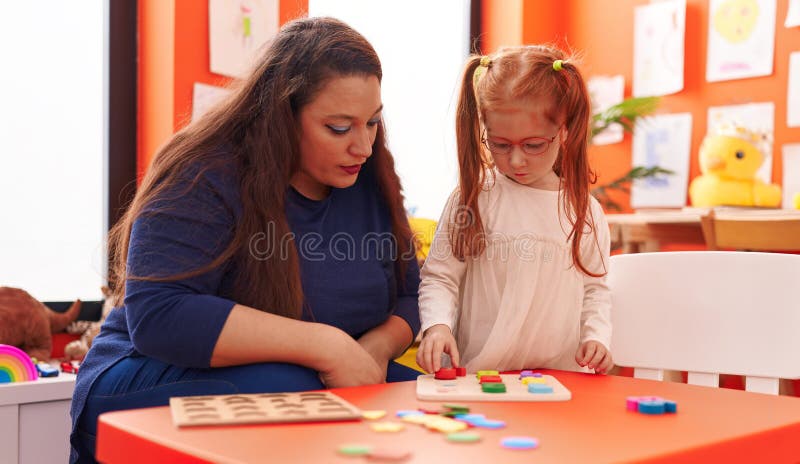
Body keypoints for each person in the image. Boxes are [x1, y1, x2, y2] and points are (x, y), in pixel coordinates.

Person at [70, 17, 421, 463]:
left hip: (302, 373)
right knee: (296, 392)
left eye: (372, 123)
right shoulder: (205, 172)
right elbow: (160, 314)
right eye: (339, 128)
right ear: (281, 115)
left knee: (417, 396)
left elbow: (412, 293)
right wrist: (327, 346)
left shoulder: (369, 181)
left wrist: (373, 348)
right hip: (142, 370)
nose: (364, 146)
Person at [416, 45, 613, 376]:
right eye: (500, 145)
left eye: (534, 145)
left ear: (564, 130)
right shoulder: (475, 198)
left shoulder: (584, 212)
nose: (516, 160)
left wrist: (598, 338)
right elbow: (440, 276)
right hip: (479, 377)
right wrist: (437, 326)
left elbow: (596, 289)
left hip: (562, 382)